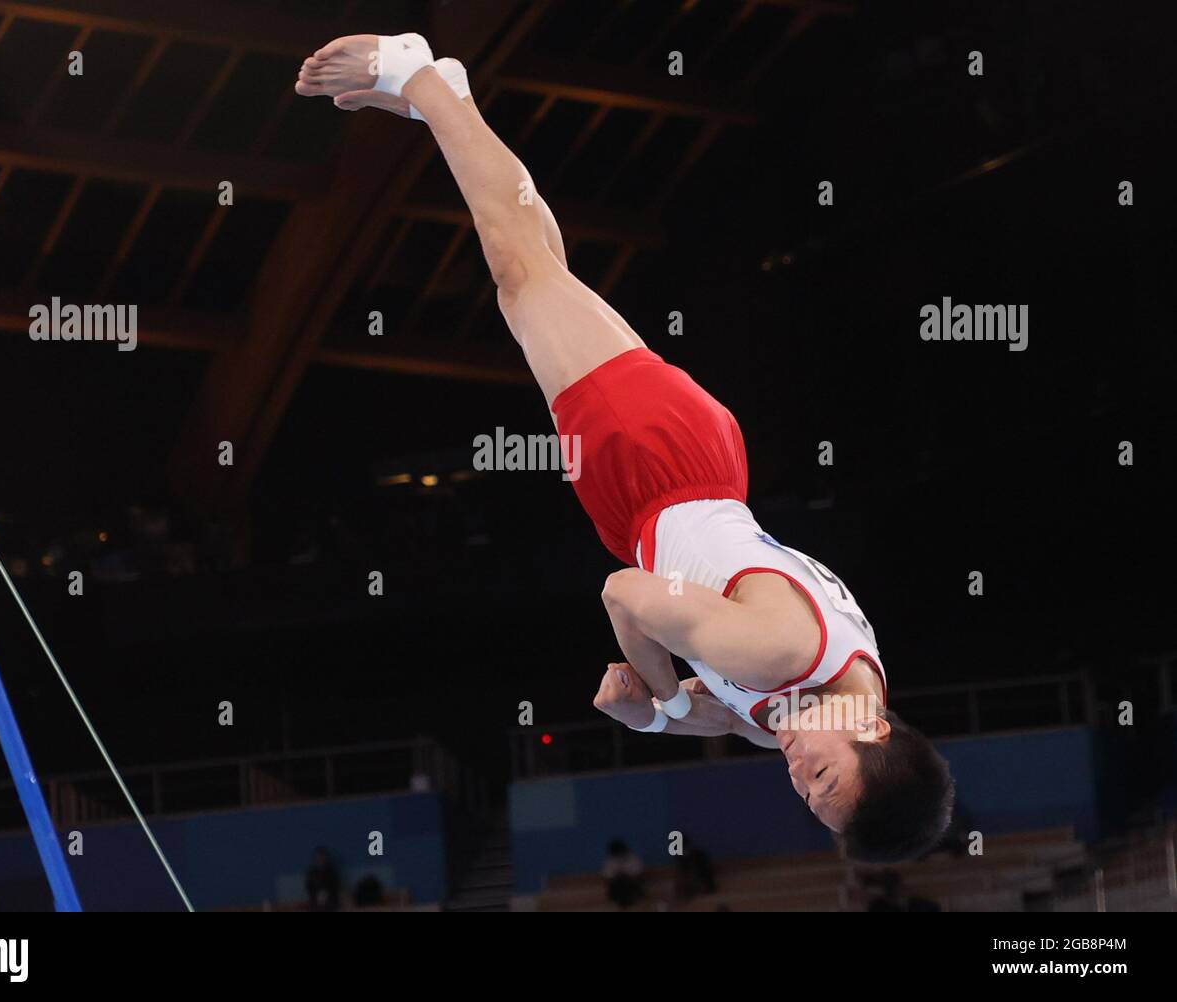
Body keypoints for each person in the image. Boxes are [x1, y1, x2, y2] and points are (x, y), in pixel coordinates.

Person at [295, 33, 953, 863]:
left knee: (544, 271)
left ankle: (450, 103)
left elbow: (725, 703)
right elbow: (625, 595)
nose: (799, 781)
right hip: (657, 464)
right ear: (872, 729)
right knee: (520, 276)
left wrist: (658, 712)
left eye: (810, 803)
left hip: (673, 483)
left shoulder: (813, 708)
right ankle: (420, 76)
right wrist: (664, 702)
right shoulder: (784, 652)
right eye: (825, 780)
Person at [601, 839, 644, 910]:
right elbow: (607, 876)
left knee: (626, 882)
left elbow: (638, 873)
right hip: (617, 884)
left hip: (631, 883)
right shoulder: (610, 861)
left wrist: (627, 875)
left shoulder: (632, 858)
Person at [304, 846, 340, 912]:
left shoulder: (332, 873)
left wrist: (326, 895)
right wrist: (317, 896)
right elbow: (309, 888)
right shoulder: (312, 874)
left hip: (331, 903)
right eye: (318, 858)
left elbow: (335, 888)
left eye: (322, 858)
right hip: (315, 903)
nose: (320, 860)